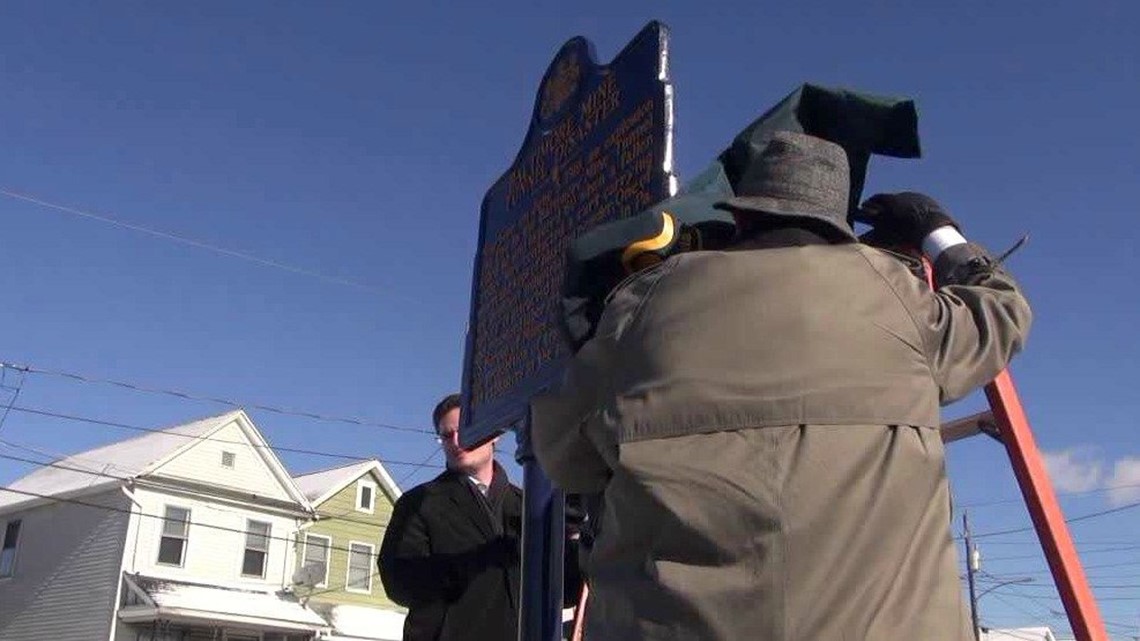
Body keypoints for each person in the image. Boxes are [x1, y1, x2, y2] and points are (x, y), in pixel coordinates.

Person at [531, 131, 1032, 640]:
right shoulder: (898, 294)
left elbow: (562, 455)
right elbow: (1002, 309)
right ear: (836, 222)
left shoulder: (644, 301)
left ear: (741, 215)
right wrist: (937, 230)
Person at [378, 393, 522, 641]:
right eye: (447, 435)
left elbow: (566, 590)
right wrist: (476, 561)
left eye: (466, 429)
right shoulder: (420, 502)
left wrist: (573, 535)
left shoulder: (526, 506)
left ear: (495, 432)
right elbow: (398, 581)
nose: (456, 441)